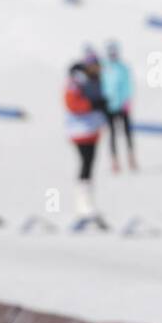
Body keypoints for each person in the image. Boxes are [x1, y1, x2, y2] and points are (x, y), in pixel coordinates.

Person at [65, 49, 107, 220]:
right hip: (79, 130)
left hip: (93, 130)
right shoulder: (77, 82)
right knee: (85, 164)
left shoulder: (95, 80)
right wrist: (92, 105)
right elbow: (72, 103)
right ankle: (82, 205)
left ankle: (88, 203)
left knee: (89, 165)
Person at [101, 39, 136, 172]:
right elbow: (103, 87)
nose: (112, 55)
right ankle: (115, 161)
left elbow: (128, 86)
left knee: (127, 132)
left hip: (122, 105)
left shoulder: (123, 68)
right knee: (112, 134)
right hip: (109, 106)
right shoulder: (104, 68)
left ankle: (131, 157)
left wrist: (127, 101)